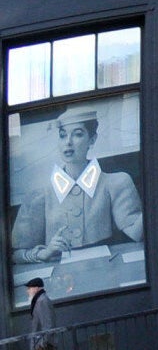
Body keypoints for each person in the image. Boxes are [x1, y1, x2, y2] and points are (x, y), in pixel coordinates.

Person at [11, 107, 144, 265]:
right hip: (59, 283)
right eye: (62, 135)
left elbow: (137, 234)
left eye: (78, 134)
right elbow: (15, 255)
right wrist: (43, 253)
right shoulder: (39, 193)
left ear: (92, 139)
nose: (68, 142)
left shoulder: (116, 183)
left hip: (106, 271)